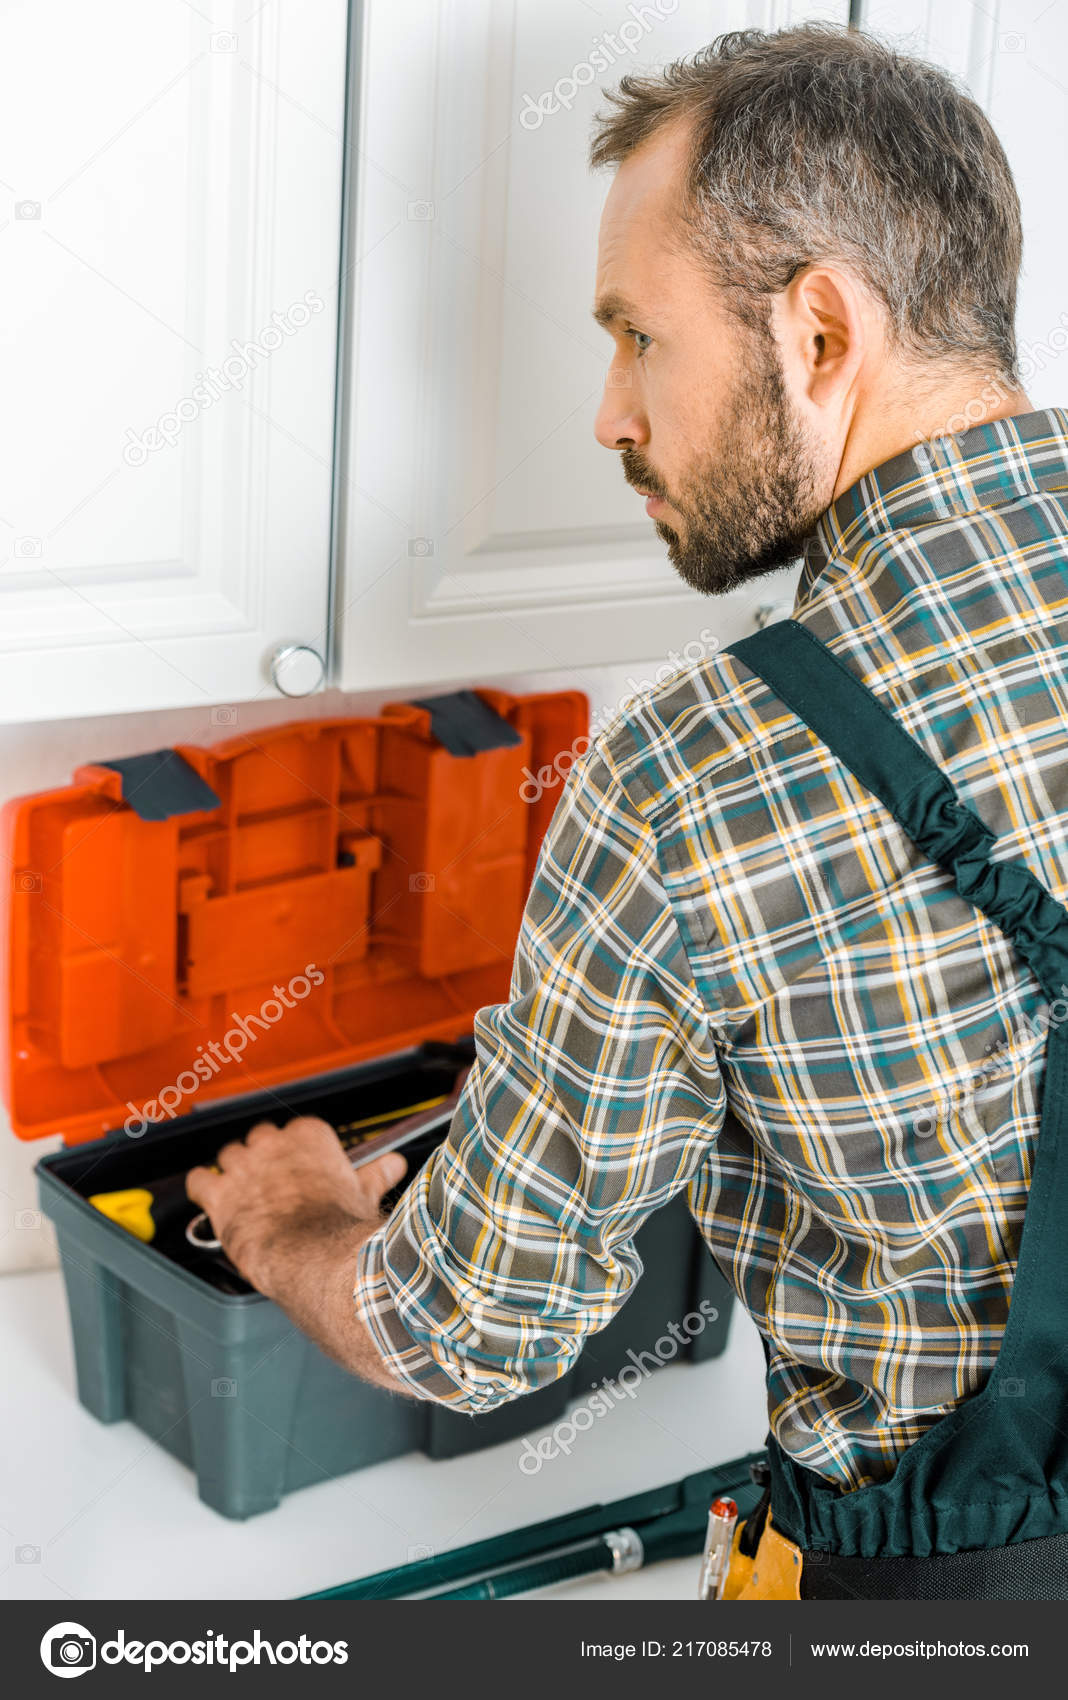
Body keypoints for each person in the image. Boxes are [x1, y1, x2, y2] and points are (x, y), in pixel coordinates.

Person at [188, 25, 1068, 1597]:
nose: (609, 414)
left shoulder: (694, 779)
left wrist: (294, 1218)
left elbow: (465, 1328)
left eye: (636, 337)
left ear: (815, 332)